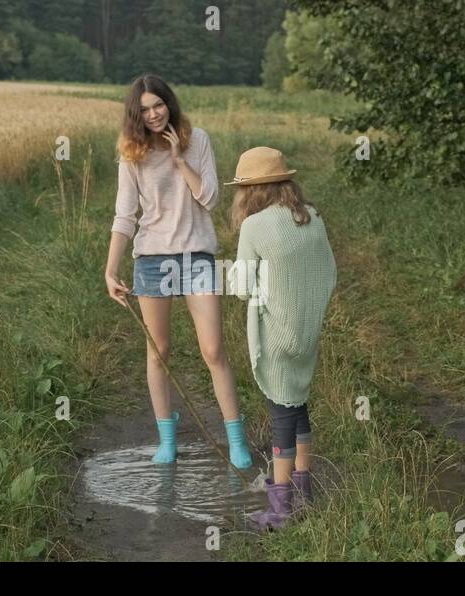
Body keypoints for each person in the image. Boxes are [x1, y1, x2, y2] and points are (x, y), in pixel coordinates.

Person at [104, 74, 253, 469]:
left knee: (213, 349)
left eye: (159, 105)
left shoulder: (197, 138)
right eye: (145, 109)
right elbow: (124, 216)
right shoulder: (131, 153)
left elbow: (210, 198)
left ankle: (235, 439)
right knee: (159, 352)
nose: (154, 114)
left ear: (169, 103)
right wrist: (110, 269)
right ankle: (167, 439)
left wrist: (178, 161)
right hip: (152, 260)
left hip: (197, 257)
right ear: (135, 114)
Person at [224, 146, 337, 529]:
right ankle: (304, 494)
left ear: (251, 191)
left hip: (275, 334)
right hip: (306, 331)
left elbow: (240, 287)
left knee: (281, 417)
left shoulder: (255, 226)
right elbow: (328, 272)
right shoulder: (313, 218)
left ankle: (281, 507)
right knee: (299, 406)